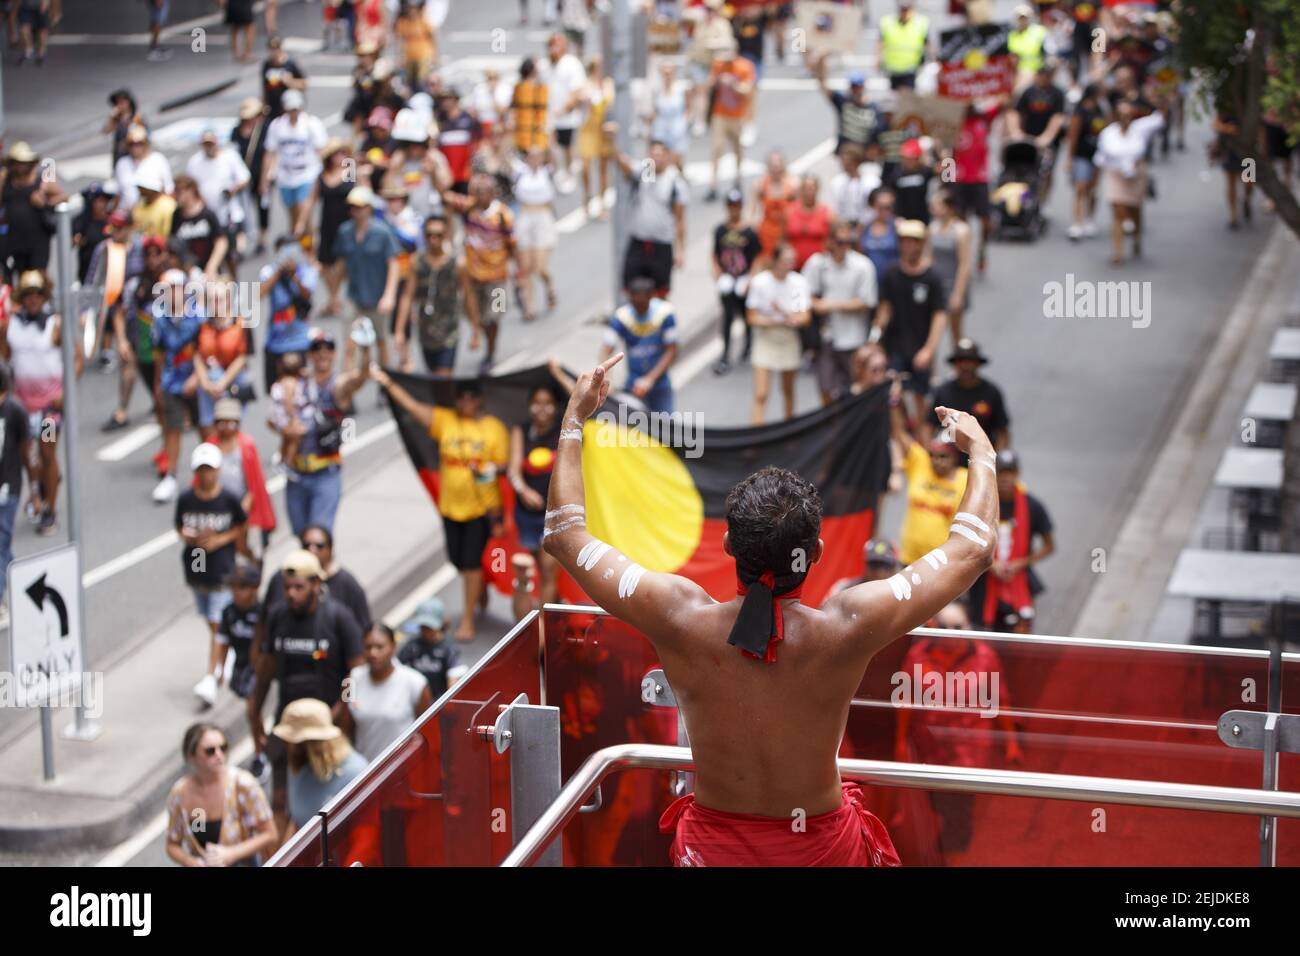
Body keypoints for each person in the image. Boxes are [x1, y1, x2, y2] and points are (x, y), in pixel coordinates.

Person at [541, 354, 999, 867]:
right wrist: (981, 452)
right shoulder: (849, 624)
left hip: (714, 852)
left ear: (732, 547)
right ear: (817, 552)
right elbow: (972, 550)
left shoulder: (677, 616)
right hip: (823, 850)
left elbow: (564, 533)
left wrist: (575, 421)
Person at [371, 372, 507, 641]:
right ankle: (478, 587)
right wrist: (387, 383)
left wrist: (489, 470)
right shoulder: (446, 421)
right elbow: (411, 406)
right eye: (462, 397)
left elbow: (503, 465)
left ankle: (468, 619)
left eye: (471, 397)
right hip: (449, 507)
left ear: (479, 400)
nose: (466, 401)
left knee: (470, 563)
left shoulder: (493, 428)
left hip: (480, 509)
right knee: (457, 560)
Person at [249, 549, 365, 837]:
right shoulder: (278, 617)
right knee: (279, 801)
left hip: (327, 728)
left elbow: (356, 673)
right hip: (288, 727)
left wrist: (340, 714)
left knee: (334, 803)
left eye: (299, 587)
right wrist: (254, 710)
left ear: (316, 583)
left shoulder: (339, 618)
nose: (291, 594)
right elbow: (267, 667)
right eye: (287, 588)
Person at [894, 602, 1020, 862]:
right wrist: (901, 741)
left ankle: (951, 854)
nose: (952, 632)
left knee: (959, 809)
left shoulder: (985, 656)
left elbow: (1000, 698)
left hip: (969, 751)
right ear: (933, 626)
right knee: (937, 801)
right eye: (945, 626)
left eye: (958, 627)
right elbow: (905, 700)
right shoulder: (918, 655)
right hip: (931, 748)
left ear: (969, 627)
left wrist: (1011, 742)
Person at [2, 270, 76, 536]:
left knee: (46, 452)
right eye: (29, 295)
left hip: (49, 407)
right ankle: (39, 489)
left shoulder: (55, 324)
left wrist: (66, 392)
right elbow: (5, 361)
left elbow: (75, 358)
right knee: (28, 457)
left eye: (38, 294)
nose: (33, 299)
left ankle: (50, 511)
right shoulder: (10, 326)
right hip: (23, 406)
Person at [276, 331, 369, 537]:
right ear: (309, 355)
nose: (322, 354)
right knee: (301, 534)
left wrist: (366, 350)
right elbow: (275, 417)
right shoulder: (297, 383)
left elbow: (359, 379)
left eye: (328, 349)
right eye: (317, 350)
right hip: (297, 474)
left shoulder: (337, 385)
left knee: (318, 537)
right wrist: (286, 429)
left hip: (325, 474)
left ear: (333, 354)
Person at [178, 443, 249, 707]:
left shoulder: (228, 498)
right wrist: (186, 536)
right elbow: (178, 525)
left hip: (222, 568)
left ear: (218, 470)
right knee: (210, 618)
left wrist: (221, 540)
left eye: (210, 469)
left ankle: (212, 674)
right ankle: (227, 653)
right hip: (196, 569)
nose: (206, 475)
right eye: (201, 470)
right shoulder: (187, 499)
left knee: (217, 621)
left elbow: (242, 525)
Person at [967, 449, 1054, 633]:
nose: (1006, 478)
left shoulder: (1032, 506)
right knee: (983, 636)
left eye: (1010, 473)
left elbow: (1049, 546)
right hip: (985, 583)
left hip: (1018, 579)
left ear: (1017, 474)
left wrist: (1022, 563)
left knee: (1018, 638)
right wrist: (991, 564)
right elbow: (966, 541)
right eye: (1001, 473)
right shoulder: (980, 505)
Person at [165, 723, 276, 866]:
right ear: (191, 756)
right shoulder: (180, 793)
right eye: (210, 751)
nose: (219, 755)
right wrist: (192, 862)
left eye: (223, 748)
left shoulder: (243, 784)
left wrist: (231, 853)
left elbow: (270, 834)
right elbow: (172, 844)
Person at [871, 218, 947, 423]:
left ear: (922, 244)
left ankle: (921, 437)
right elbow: (884, 309)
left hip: (920, 344)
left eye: (913, 241)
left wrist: (929, 349)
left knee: (921, 395)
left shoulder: (932, 277)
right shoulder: (891, 273)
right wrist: (875, 339)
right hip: (895, 344)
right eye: (904, 241)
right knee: (895, 394)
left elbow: (939, 315)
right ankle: (901, 433)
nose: (908, 246)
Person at [441, 174, 516, 372]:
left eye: (482, 192)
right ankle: (480, 333)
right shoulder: (468, 208)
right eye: (475, 192)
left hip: (497, 278)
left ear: (492, 194)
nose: (478, 196)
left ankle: (490, 353)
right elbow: (445, 196)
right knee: (474, 315)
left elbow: (513, 246)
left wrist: (520, 274)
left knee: (495, 317)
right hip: (473, 276)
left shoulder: (503, 215)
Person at [804, 220, 877, 405]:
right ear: (829, 241)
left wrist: (830, 305)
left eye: (848, 241)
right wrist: (813, 305)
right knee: (826, 388)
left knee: (856, 389)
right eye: (839, 241)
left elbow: (866, 301)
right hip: (826, 337)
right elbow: (802, 292)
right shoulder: (817, 264)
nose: (843, 246)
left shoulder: (862, 265)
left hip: (853, 338)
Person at [273, 697, 369, 837]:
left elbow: (366, 833)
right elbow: (297, 822)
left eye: (292, 741)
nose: (286, 745)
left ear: (311, 744)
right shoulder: (298, 767)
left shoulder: (354, 773)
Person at [508, 381, 564, 619]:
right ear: (530, 406)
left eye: (548, 404)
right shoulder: (520, 430)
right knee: (531, 571)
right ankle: (537, 617)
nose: (542, 409)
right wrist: (523, 491)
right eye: (537, 403)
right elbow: (513, 470)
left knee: (549, 570)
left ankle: (543, 629)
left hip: (555, 516)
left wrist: (557, 374)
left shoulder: (565, 431)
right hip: (526, 516)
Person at [339, 624, 432, 760]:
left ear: (393, 647)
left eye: (380, 647)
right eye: (368, 647)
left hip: (402, 771)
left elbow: (427, 734)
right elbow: (345, 729)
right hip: (364, 772)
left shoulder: (416, 683)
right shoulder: (350, 681)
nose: (373, 653)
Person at [148, 269, 202, 504]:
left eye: (175, 289)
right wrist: (158, 385)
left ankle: (207, 473)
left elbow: (205, 349)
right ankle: (170, 476)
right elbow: (159, 354)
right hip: (172, 381)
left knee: (205, 427)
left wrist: (198, 378)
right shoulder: (159, 319)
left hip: (196, 380)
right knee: (173, 429)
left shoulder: (199, 315)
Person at [612, 132, 688, 297]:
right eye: (653, 154)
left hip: (661, 243)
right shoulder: (648, 172)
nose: (656, 159)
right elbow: (626, 166)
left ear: (668, 156)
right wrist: (613, 142)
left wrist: (681, 250)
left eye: (660, 154)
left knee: (660, 293)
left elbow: (680, 219)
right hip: (639, 241)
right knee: (633, 289)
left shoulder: (675, 182)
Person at [333, 186, 401, 369]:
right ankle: (348, 386)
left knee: (380, 340)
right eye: (353, 207)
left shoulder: (382, 232)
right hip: (354, 296)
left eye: (361, 207)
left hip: (376, 295)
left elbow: (394, 264)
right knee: (350, 342)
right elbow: (340, 265)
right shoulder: (345, 232)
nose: (357, 211)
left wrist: (389, 295)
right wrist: (333, 295)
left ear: (369, 208)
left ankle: (385, 384)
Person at [262, 524, 372, 632]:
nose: (312, 550)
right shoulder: (281, 577)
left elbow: (363, 628)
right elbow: (263, 621)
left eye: (319, 546)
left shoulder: (347, 585)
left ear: (316, 584)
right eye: (306, 545)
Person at [745, 243, 810, 424]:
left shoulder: (798, 283)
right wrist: (775, 321)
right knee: (761, 394)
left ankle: (788, 433)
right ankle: (756, 439)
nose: (789, 265)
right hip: (766, 337)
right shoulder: (761, 282)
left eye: (792, 261)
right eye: (785, 261)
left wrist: (787, 315)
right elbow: (751, 317)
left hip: (788, 338)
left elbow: (804, 316)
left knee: (788, 391)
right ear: (775, 261)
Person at [1092, 99, 1163, 264]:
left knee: (1134, 209)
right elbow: (1100, 158)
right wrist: (1096, 182)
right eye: (1122, 115)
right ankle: (1118, 252)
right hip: (1115, 175)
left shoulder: (1140, 129)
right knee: (1118, 211)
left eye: (1128, 115)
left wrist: (1160, 97)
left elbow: (1159, 119)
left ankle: (1137, 239)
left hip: (1136, 174)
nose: (1126, 118)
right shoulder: (1108, 133)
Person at [598, 276, 678, 416]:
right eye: (636, 304)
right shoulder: (621, 318)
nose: (639, 308)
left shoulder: (665, 315)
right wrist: (607, 378)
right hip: (633, 384)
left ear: (650, 297)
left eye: (642, 304)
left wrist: (650, 379)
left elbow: (671, 350)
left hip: (660, 383)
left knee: (667, 429)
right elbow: (605, 351)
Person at [205, 398, 276, 555]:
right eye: (222, 423)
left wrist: (246, 502)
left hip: (241, 502)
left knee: (242, 544)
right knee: (209, 546)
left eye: (231, 423)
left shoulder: (246, 445)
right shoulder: (210, 445)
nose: (226, 428)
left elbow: (255, 481)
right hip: (217, 503)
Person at [394, 214, 460, 376]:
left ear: (445, 236)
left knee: (443, 377)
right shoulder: (417, 263)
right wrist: (399, 331)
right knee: (433, 375)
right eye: (429, 235)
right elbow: (407, 297)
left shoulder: (456, 263)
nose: (433, 240)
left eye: (438, 235)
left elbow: (468, 294)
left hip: (449, 331)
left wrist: (475, 330)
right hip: (426, 332)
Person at [262, 90, 329, 238]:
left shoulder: (311, 123)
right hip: (286, 175)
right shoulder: (277, 125)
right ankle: (300, 247)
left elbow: (323, 150)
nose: (294, 112)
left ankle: (308, 249)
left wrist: (327, 174)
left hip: (307, 173)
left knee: (303, 215)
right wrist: (264, 180)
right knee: (293, 216)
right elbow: (269, 152)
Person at [298, 141, 354, 318]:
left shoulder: (349, 172)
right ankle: (334, 299)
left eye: (343, 154)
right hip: (327, 224)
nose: (340, 158)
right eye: (337, 154)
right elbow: (310, 201)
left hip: (346, 224)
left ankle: (333, 300)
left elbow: (359, 192)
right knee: (323, 263)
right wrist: (301, 222)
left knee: (341, 262)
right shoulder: (322, 176)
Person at [185, 129, 251, 274]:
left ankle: (235, 284)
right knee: (213, 256)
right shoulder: (195, 162)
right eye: (206, 144)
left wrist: (232, 190)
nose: (209, 147)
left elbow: (244, 178)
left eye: (211, 143)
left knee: (232, 255)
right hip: (207, 216)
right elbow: (189, 185)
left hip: (228, 214)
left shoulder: (229, 157)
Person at [928, 338, 1012, 452]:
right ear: (955, 364)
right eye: (961, 361)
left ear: (977, 364)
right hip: (948, 464)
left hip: (981, 461)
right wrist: (930, 454)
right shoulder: (942, 392)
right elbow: (928, 427)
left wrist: (995, 462)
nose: (965, 366)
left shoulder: (992, 393)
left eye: (970, 361)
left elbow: (1003, 432)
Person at [950, 97, 1004, 274]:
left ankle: (982, 250)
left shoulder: (983, 119)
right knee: (961, 222)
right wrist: (947, 181)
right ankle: (963, 256)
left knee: (986, 221)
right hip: (959, 180)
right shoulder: (952, 122)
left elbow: (1004, 101)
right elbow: (946, 155)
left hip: (980, 179)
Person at [711, 188, 761, 375]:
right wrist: (716, 273)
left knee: (746, 315)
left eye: (737, 206)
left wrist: (751, 279)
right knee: (728, 316)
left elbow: (757, 256)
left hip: (743, 278)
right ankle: (726, 352)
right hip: (727, 278)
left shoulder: (749, 232)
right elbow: (714, 254)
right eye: (731, 206)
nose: (734, 210)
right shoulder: (720, 230)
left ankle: (748, 346)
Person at [0, 361, 34, 627]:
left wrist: (34, 491)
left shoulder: (15, 412)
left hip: (7, 490)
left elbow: (27, 454)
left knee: (0, 544)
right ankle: (25, 577)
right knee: (3, 547)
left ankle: (0, 603)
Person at [260, 239, 317, 393]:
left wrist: (294, 276)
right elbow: (259, 294)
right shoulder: (270, 271)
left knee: (299, 391)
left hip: (298, 341)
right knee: (275, 392)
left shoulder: (306, 271)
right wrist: (278, 271)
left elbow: (307, 294)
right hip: (275, 342)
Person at [2, 142, 66, 279]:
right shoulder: (5, 180)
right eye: (17, 163)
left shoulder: (42, 181)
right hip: (14, 239)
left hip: (37, 241)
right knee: (17, 277)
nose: (21, 167)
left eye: (24, 163)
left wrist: (44, 202)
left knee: (39, 278)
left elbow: (63, 197)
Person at [704, 35, 756, 202]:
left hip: (738, 115)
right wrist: (717, 80)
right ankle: (713, 183)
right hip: (721, 113)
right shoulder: (718, 66)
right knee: (716, 147)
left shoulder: (744, 67)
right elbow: (709, 85)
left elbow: (747, 89)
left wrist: (733, 84)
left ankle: (738, 179)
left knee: (737, 149)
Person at [512, 147, 559, 323]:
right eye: (531, 156)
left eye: (537, 156)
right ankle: (530, 305)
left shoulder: (547, 172)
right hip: (525, 217)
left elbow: (554, 157)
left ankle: (549, 286)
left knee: (540, 267)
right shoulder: (520, 172)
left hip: (542, 218)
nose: (534, 159)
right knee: (525, 268)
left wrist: (549, 140)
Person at [1007, 64, 1066, 203]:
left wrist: (1046, 137)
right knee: (1023, 169)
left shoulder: (1057, 94)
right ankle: (1023, 199)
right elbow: (1015, 112)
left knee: (1046, 172)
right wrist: (1016, 132)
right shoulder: (1029, 92)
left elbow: (1057, 118)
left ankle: (1043, 201)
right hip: (1028, 139)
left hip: (1048, 141)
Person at [538, 33, 587, 193]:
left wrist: (565, 108)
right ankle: (557, 171)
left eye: (557, 45)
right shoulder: (544, 65)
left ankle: (568, 173)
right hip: (548, 115)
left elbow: (577, 90)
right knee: (551, 146)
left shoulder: (572, 64)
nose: (553, 49)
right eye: (551, 46)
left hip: (566, 116)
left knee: (566, 147)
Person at [926, 190, 973, 346]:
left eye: (937, 206)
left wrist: (958, 294)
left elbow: (964, 264)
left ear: (949, 207)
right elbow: (928, 256)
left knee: (955, 330)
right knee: (932, 330)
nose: (933, 209)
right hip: (936, 284)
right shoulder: (932, 228)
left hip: (953, 283)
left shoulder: (961, 231)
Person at [811, 54, 884, 154]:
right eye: (853, 86)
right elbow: (823, 84)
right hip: (845, 149)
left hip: (864, 152)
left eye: (858, 86)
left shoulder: (873, 108)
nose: (856, 90)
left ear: (863, 87)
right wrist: (820, 63)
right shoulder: (843, 102)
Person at [1063, 83, 1107, 241]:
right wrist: (1070, 158)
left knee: (1093, 189)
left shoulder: (1100, 110)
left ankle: (1090, 219)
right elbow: (1073, 136)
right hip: (1081, 155)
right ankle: (1077, 222)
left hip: (1097, 155)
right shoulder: (1080, 111)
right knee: (1080, 188)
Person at [397, 598, 464, 698]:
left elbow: (454, 676)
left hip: (439, 700)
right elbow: (396, 668)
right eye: (423, 626)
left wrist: (449, 699)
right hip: (415, 698)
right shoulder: (411, 646)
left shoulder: (448, 648)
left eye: (429, 627)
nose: (426, 631)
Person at [576, 55, 614, 219]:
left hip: (603, 129)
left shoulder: (608, 83)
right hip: (588, 129)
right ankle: (587, 197)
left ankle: (603, 202)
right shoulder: (586, 84)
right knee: (585, 167)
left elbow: (611, 102)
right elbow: (582, 98)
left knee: (603, 168)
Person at [112, 125, 173, 212]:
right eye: (131, 144)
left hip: (151, 211)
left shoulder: (158, 159)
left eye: (139, 144)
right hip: (126, 213)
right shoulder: (122, 163)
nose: (135, 148)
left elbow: (168, 189)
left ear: (145, 144)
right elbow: (119, 192)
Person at [751, 150, 797, 263]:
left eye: (778, 165)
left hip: (785, 230)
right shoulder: (761, 185)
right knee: (766, 261)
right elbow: (752, 211)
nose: (776, 169)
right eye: (773, 166)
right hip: (767, 231)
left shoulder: (792, 185)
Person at [878, 0, 930, 90]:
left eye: (907, 9)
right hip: (893, 68)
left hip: (911, 67)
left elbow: (927, 43)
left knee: (908, 97)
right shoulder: (887, 23)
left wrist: (928, 59)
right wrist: (878, 58)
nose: (905, 13)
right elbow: (881, 42)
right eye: (903, 9)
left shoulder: (921, 23)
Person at [648, 59, 689, 171]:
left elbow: (688, 109)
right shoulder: (656, 90)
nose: (667, 75)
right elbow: (654, 111)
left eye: (670, 72)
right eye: (665, 73)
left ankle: (679, 186)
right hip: (660, 131)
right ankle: (648, 185)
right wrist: (650, 133)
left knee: (676, 163)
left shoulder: (681, 89)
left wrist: (685, 124)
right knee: (655, 162)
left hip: (677, 131)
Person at [829, 538, 901, 596]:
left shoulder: (901, 595)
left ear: (894, 569)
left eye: (885, 566)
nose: (879, 572)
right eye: (874, 565)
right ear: (865, 566)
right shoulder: (844, 588)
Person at [510, 57, 551, 154]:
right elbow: (514, 107)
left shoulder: (542, 87)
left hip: (538, 130)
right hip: (524, 131)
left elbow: (545, 108)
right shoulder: (520, 87)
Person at [261, 34, 306, 119]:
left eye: (276, 48)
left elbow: (304, 84)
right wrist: (264, 105)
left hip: (287, 107)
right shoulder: (267, 65)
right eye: (272, 49)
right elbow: (264, 87)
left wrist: (290, 81)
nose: (274, 52)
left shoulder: (290, 64)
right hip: (273, 106)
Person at [860, 187, 900, 281]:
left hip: (892, 280)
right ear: (873, 206)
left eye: (888, 207)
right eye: (881, 207)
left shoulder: (897, 226)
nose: (885, 211)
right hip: (870, 279)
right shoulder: (865, 228)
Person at [1008, 3, 1048, 84]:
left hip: (1041, 71)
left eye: (1025, 18)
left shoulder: (1040, 31)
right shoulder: (1012, 35)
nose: (1022, 20)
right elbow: (1013, 56)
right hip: (1022, 72)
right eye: (1020, 18)